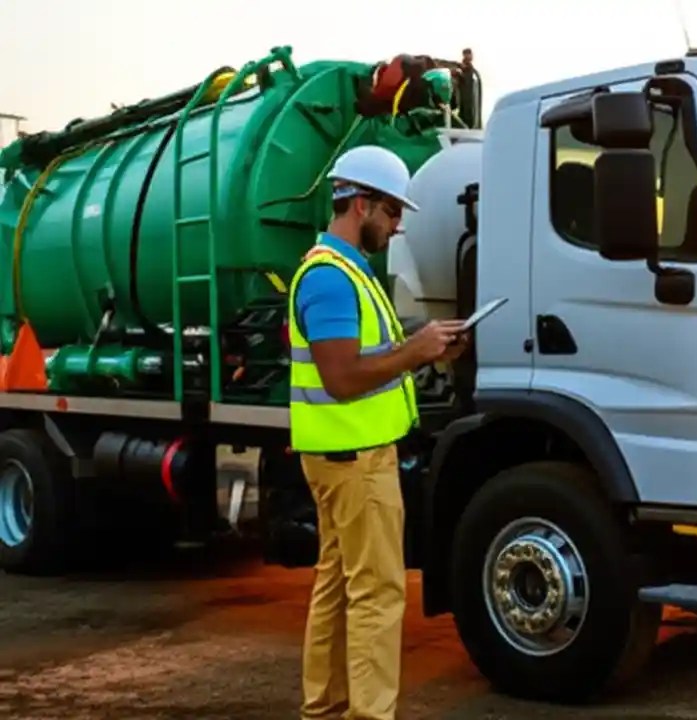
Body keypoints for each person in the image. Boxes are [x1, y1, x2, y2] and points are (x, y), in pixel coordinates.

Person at [287, 144, 467, 720]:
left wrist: (424, 344)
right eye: (391, 213)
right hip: (355, 461)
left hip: (341, 457)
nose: (396, 226)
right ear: (360, 204)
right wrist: (415, 353)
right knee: (377, 595)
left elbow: (366, 356)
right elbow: (342, 377)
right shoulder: (331, 279)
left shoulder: (348, 273)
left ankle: (325, 707)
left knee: (339, 585)